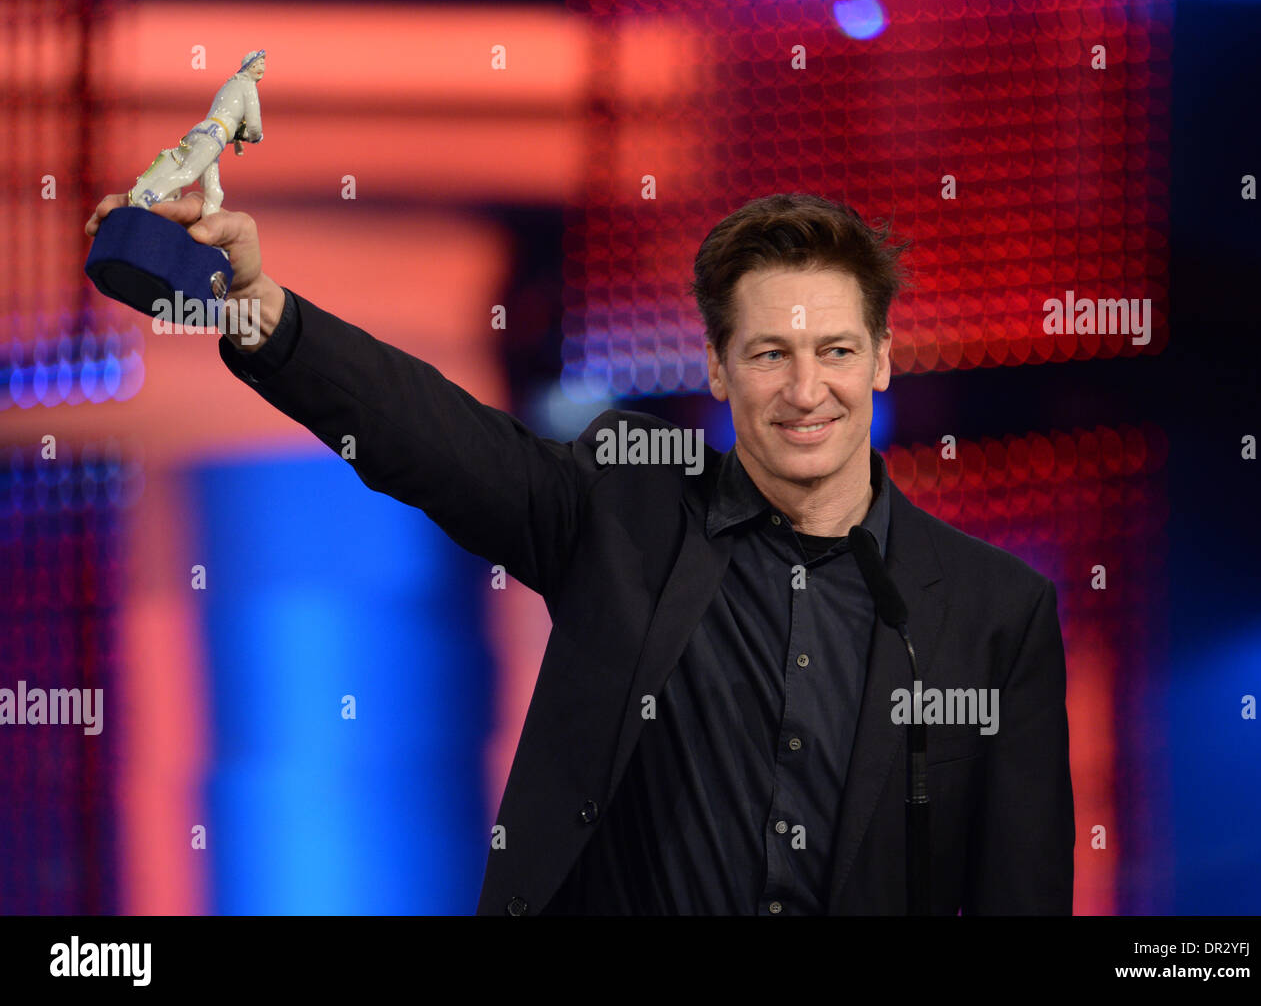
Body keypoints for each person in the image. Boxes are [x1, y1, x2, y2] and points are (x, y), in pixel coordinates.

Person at [85, 190, 1075, 915]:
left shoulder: (995, 614)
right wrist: (255, 305)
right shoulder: (627, 510)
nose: (805, 388)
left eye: (836, 351)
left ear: (884, 357)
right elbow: (429, 435)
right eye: (770, 352)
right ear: (720, 370)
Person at [127, 50, 266, 217]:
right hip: (214, 136)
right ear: (247, 68)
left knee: (214, 193)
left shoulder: (228, 85)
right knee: (187, 174)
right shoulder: (248, 86)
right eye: (256, 65)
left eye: (262, 63)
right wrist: (255, 137)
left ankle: (208, 228)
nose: (261, 68)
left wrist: (236, 137)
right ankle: (147, 199)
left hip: (202, 131)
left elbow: (228, 116)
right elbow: (254, 125)